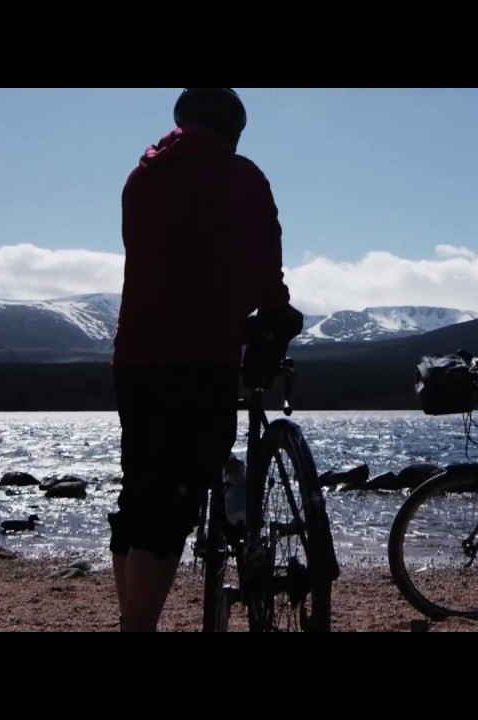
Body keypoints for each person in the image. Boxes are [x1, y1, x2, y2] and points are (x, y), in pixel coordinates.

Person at [109, 88, 303, 632]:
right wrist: (276, 313)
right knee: (173, 502)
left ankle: (132, 620)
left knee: (140, 492)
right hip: (201, 355)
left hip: (135, 357)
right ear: (233, 130)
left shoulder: (141, 176)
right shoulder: (240, 177)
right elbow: (264, 261)